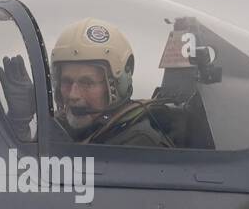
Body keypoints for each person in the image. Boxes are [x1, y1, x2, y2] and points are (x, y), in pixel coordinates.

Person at [49, 18, 172, 147]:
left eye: (87, 83)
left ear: (118, 86)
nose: (73, 95)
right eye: (66, 81)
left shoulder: (137, 144)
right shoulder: (56, 130)